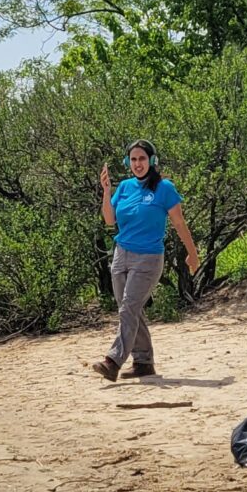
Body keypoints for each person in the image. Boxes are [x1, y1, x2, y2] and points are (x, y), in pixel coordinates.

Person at [92, 140, 201, 382]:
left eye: (142, 159)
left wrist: (192, 252)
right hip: (121, 256)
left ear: (152, 161)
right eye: (133, 159)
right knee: (129, 309)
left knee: (128, 307)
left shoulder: (164, 188)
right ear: (127, 162)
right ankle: (143, 363)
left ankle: (113, 361)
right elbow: (109, 221)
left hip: (149, 258)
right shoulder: (124, 187)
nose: (138, 164)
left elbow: (179, 223)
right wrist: (107, 191)